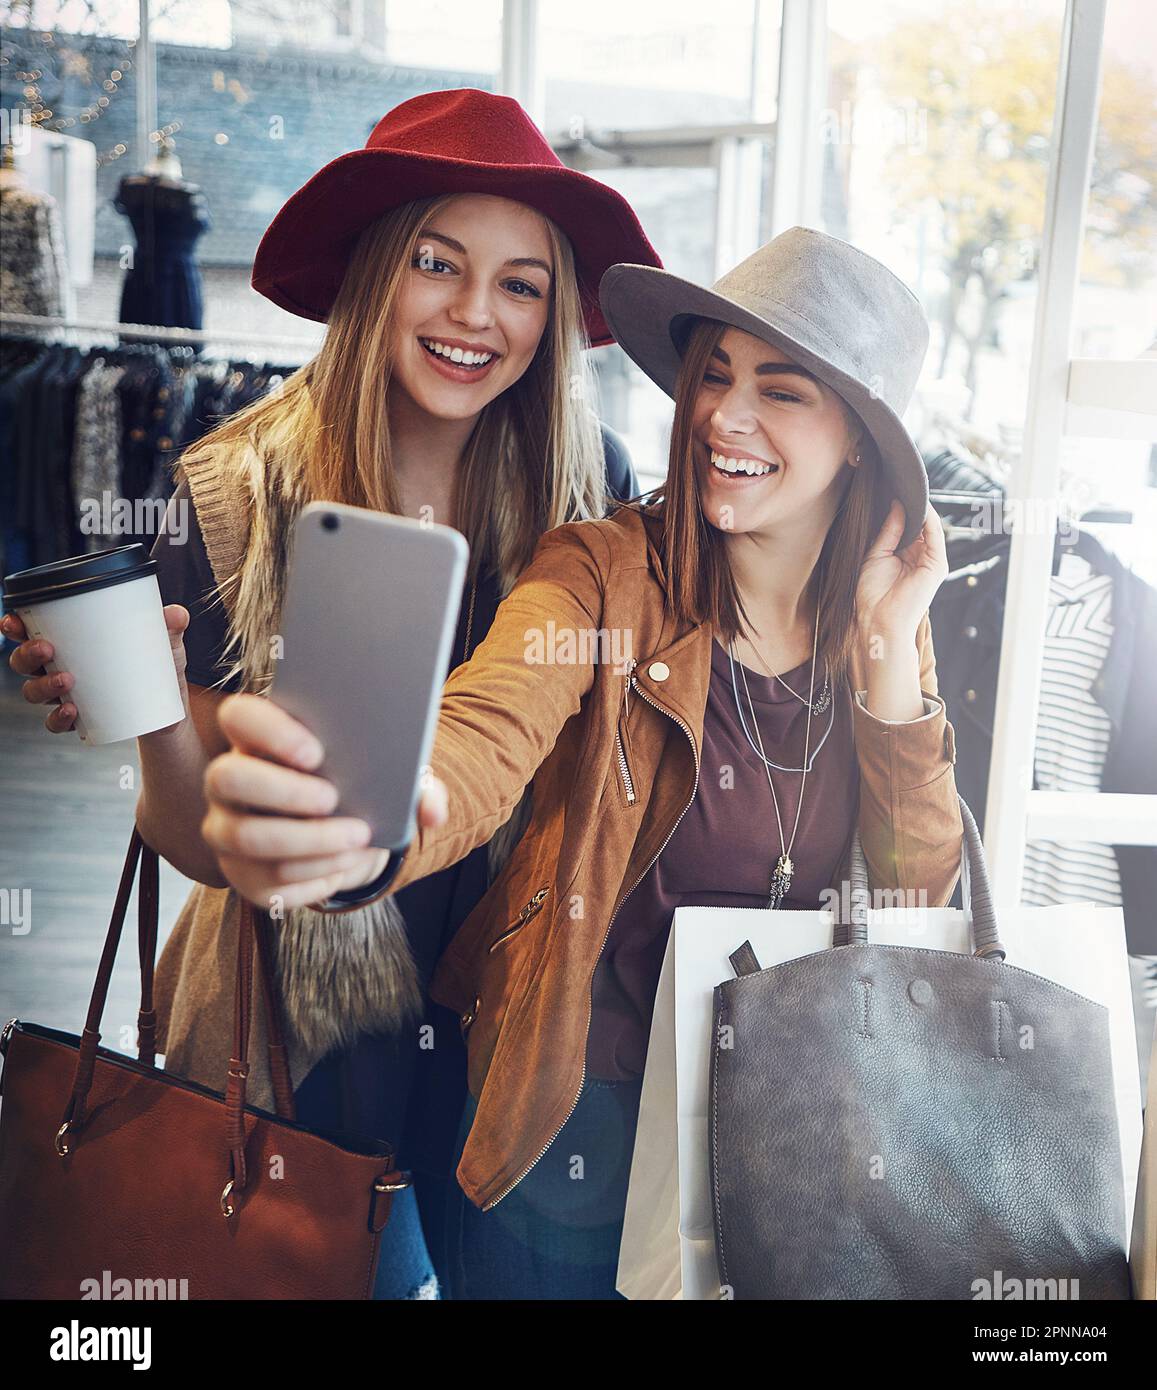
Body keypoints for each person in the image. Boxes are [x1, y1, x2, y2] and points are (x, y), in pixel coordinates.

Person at [175, 224, 965, 1299]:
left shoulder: (881, 624)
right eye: (713, 376)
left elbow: (923, 893)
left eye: (780, 392)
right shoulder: (600, 572)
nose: (723, 418)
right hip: (574, 1115)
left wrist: (887, 644)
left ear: (859, 444)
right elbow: (485, 731)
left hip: (781, 1119)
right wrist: (369, 820)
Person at [1, 86, 660, 1300]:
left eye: (521, 283)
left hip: (509, 992)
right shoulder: (233, 489)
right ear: (373, 269)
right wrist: (147, 703)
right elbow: (197, 840)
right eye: (437, 262)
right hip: (290, 1011)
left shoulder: (593, 486)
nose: (476, 314)